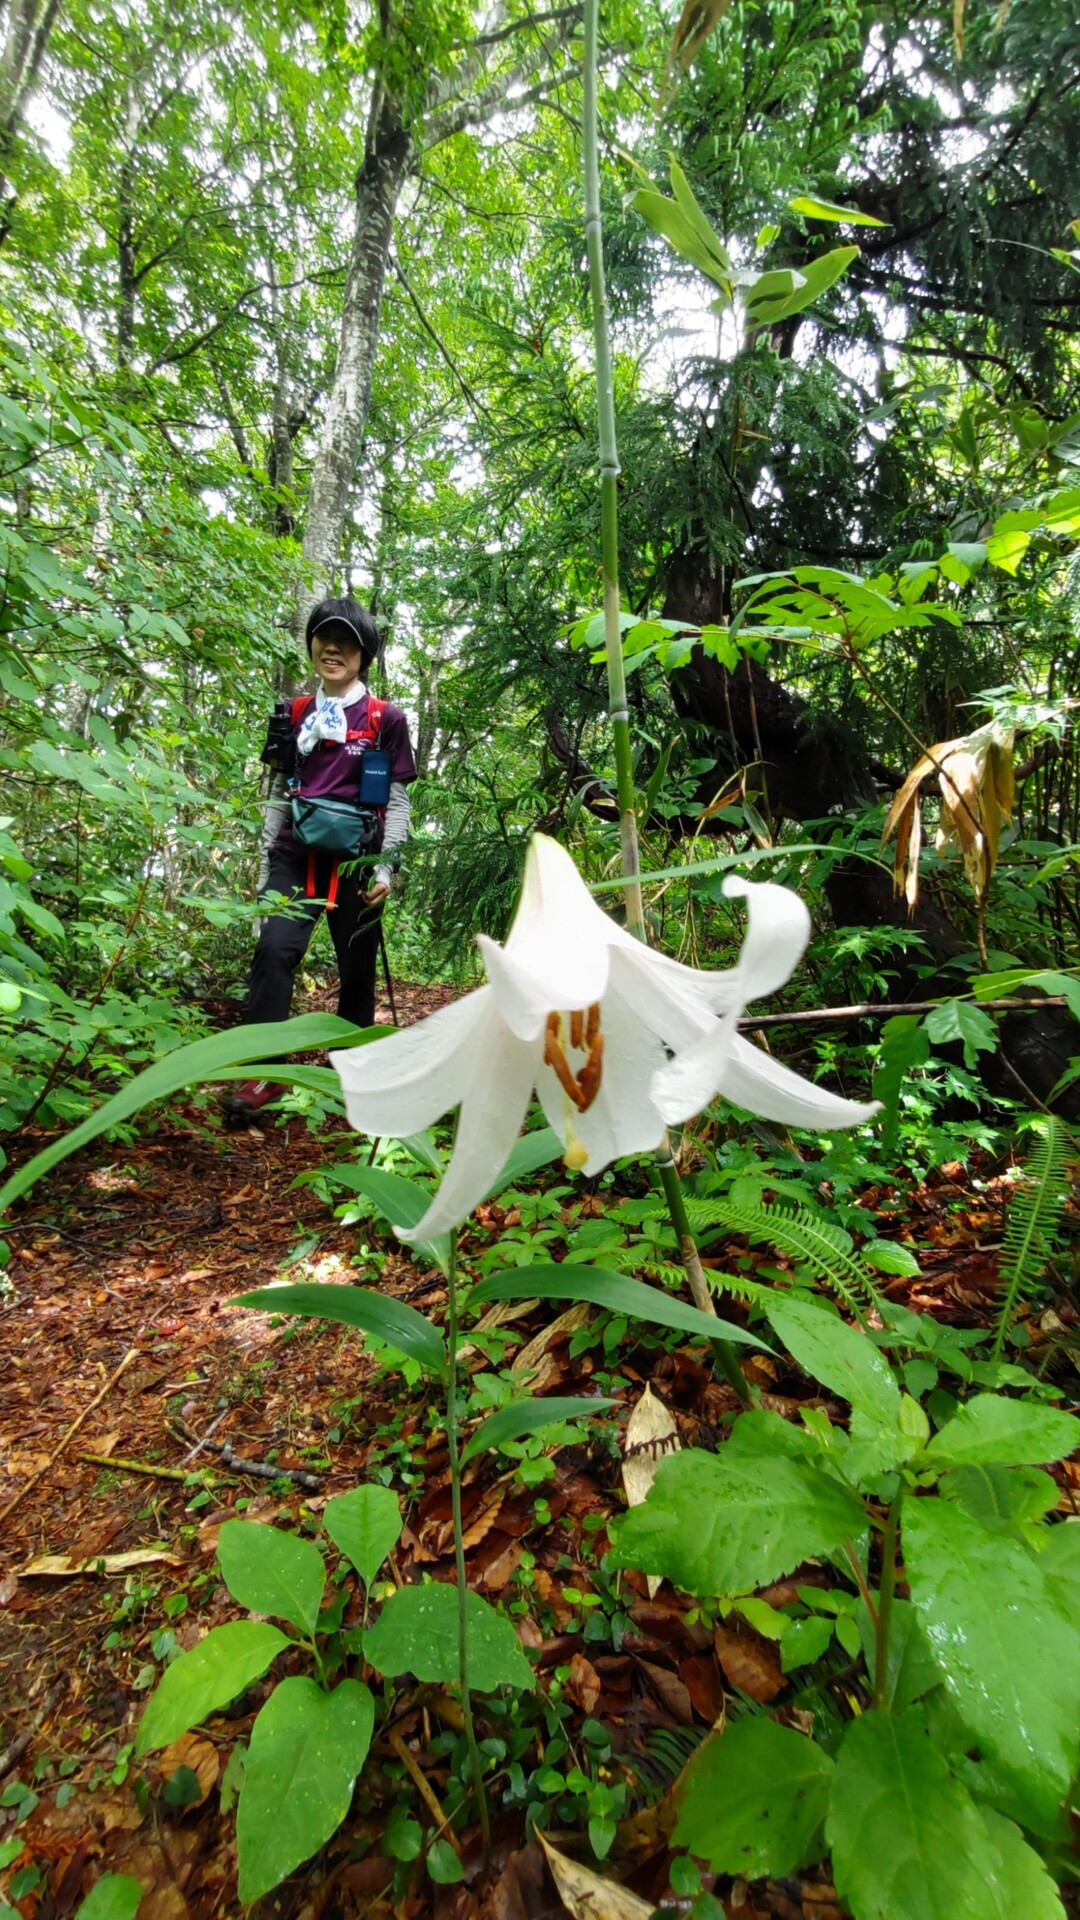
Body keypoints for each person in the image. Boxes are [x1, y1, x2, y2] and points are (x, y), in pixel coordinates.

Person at [223, 596, 417, 1122]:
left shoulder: (385, 719)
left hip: (358, 863)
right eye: (323, 637)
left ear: (364, 653)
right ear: (311, 644)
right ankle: (265, 1071)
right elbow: (279, 792)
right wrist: (265, 865)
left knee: (356, 970)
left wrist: (386, 868)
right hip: (294, 856)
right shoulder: (291, 714)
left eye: (347, 641)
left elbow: (397, 801)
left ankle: (352, 1072)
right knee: (273, 951)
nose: (333, 648)